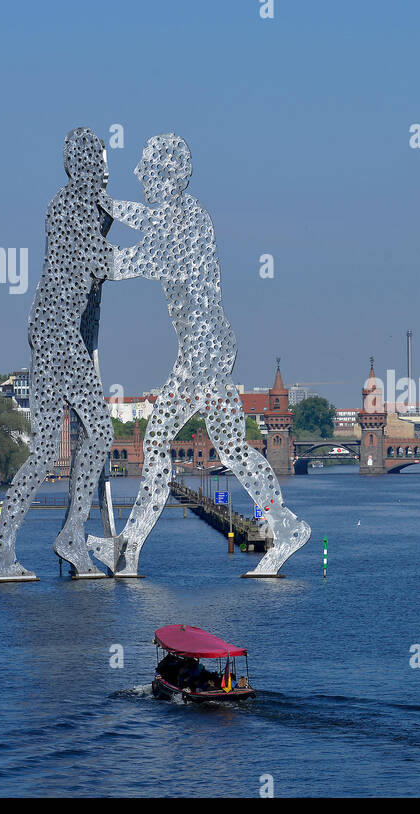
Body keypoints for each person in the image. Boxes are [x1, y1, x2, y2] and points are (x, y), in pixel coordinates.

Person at [87, 134, 309, 578]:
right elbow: (147, 219)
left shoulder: (188, 222)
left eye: (145, 169)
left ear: (166, 175)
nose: (138, 175)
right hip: (205, 350)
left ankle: (128, 549)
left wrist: (91, 258)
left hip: (202, 355)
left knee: (161, 443)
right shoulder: (177, 214)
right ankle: (282, 526)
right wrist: (106, 203)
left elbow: (141, 259)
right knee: (227, 448)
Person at [0, 127, 115, 581]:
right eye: (100, 161)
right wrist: (154, 248)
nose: (106, 170)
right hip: (57, 332)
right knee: (86, 436)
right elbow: (102, 264)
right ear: (81, 165)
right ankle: (36, 545)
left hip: (57, 332)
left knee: (74, 439)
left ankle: (45, 543)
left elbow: (94, 276)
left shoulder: (75, 206)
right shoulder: (69, 206)